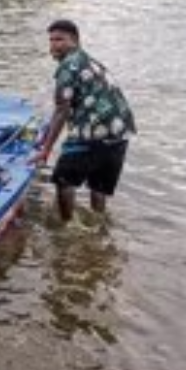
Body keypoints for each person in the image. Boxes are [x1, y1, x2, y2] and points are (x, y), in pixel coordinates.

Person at [30, 19, 137, 225]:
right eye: (51, 40)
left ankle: (66, 227)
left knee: (63, 181)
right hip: (120, 133)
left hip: (93, 133)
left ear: (75, 41)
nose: (53, 45)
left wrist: (45, 149)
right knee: (98, 187)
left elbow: (62, 110)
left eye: (60, 39)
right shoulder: (89, 61)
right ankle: (98, 226)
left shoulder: (68, 66)